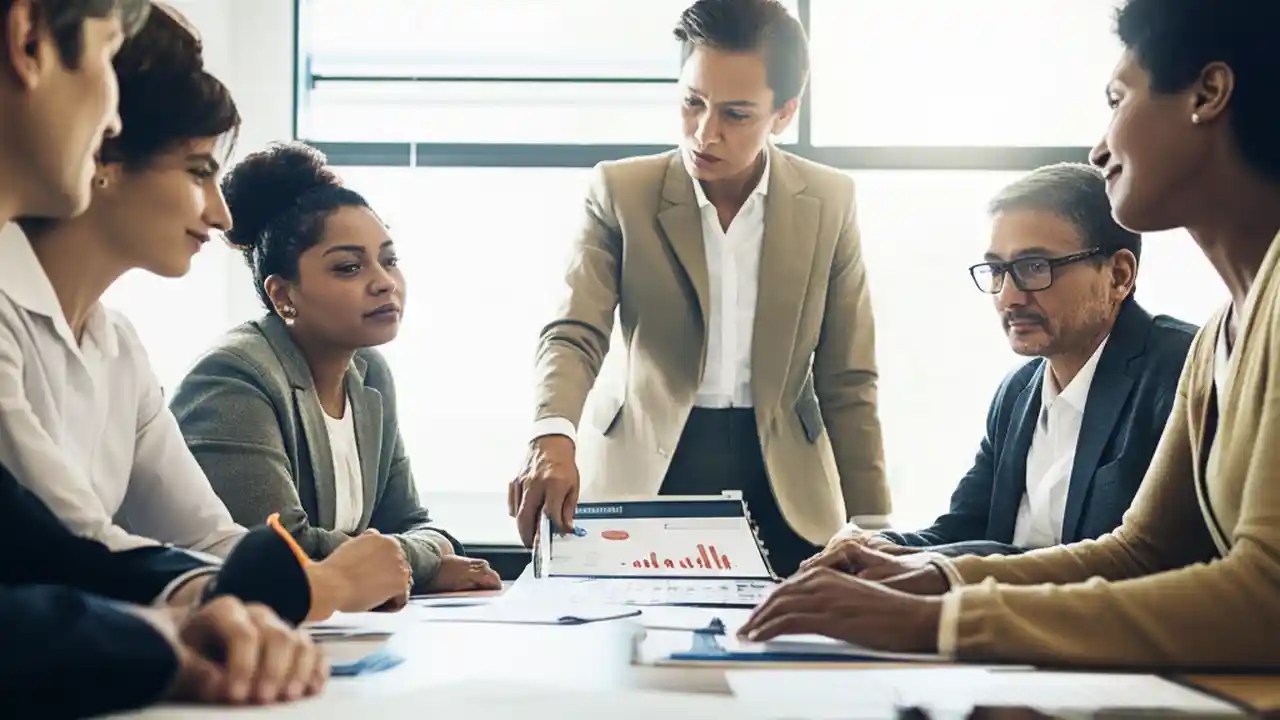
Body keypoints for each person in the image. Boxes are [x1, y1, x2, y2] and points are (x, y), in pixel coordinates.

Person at [740, 0, 1280, 668]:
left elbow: (1265, 594)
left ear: (1208, 94)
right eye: (997, 271)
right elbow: (1139, 549)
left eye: (1118, 99)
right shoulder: (1220, 337)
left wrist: (940, 620)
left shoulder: (1192, 347)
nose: (1101, 146)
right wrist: (934, 578)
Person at [0, 4, 411, 620]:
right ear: (104, 164)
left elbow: (208, 540)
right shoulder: (237, 371)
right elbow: (72, 548)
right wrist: (313, 588)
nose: (220, 216)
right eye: (198, 171)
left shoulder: (119, 344)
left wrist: (251, 600)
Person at [510, 0, 887, 577]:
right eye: (692, 102)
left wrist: (873, 524)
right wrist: (552, 434)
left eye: (736, 114)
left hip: (785, 479)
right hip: (649, 463)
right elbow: (574, 332)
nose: (704, 133)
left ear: (783, 114)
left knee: (789, 652)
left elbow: (847, 378)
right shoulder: (620, 190)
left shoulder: (830, 201)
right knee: (636, 654)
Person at [812, 164, 1195, 568]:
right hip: (1006, 621)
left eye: (1034, 267)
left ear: (1118, 275)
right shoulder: (1019, 390)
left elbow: (1128, 561)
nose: (1009, 296)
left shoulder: (1179, 372)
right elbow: (963, 531)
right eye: (997, 270)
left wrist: (934, 566)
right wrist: (872, 546)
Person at [170, 142, 502, 595]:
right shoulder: (233, 377)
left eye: (389, 260)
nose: (384, 283)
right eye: (348, 267)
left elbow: (416, 525)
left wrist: (417, 555)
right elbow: (282, 550)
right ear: (283, 295)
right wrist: (423, 564)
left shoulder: (369, 374)